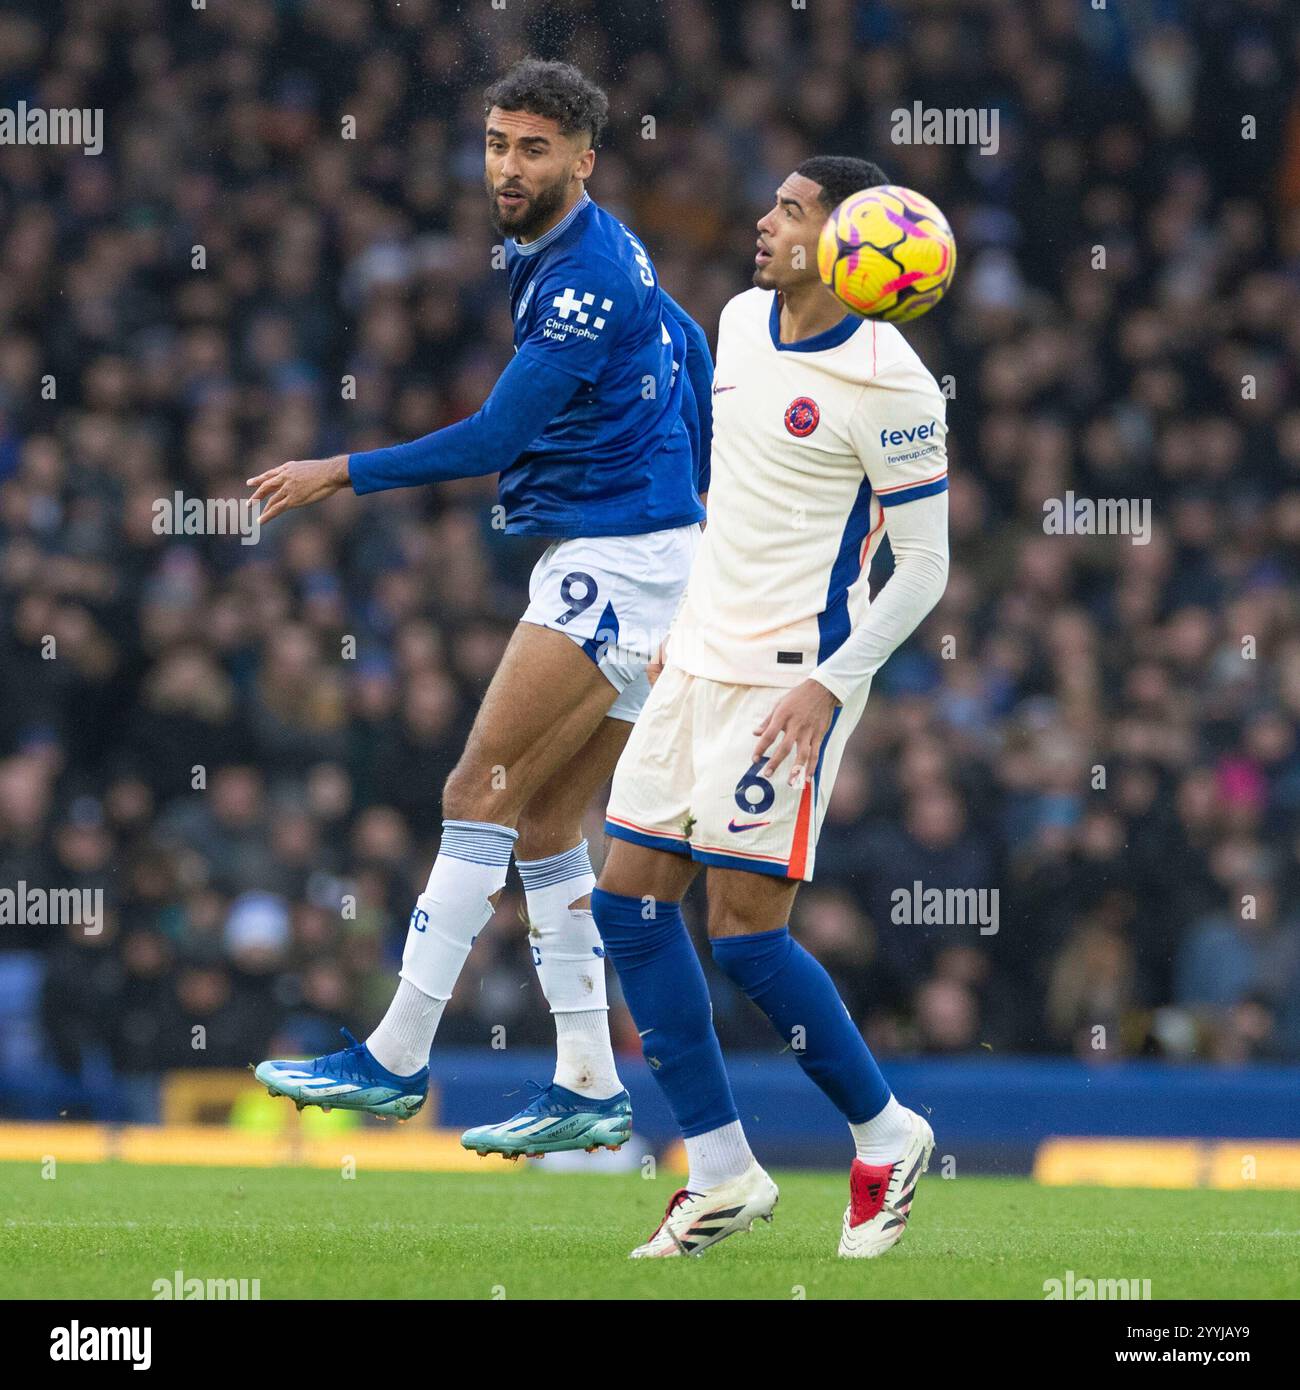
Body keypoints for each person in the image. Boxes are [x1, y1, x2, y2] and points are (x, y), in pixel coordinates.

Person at [252, 59, 713, 1159]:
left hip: (620, 561)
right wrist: (691, 497)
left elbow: (493, 439)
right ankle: (590, 1085)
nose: (508, 165)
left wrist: (339, 469)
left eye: (534, 148)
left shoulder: (583, 278)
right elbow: (687, 346)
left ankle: (396, 1052)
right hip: (652, 552)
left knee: (478, 786)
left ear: (582, 158)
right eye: (499, 143)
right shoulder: (590, 248)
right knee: (548, 823)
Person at [591, 157, 949, 1257]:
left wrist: (828, 686)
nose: (763, 221)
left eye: (789, 211)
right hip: (693, 665)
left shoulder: (895, 384)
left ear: (847, 246)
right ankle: (722, 1169)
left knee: (745, 939)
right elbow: (729, 494)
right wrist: (677, 625)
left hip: (790, 682)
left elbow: (923, 569)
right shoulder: (740, 321)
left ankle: (886, 1135)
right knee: (628, 908)